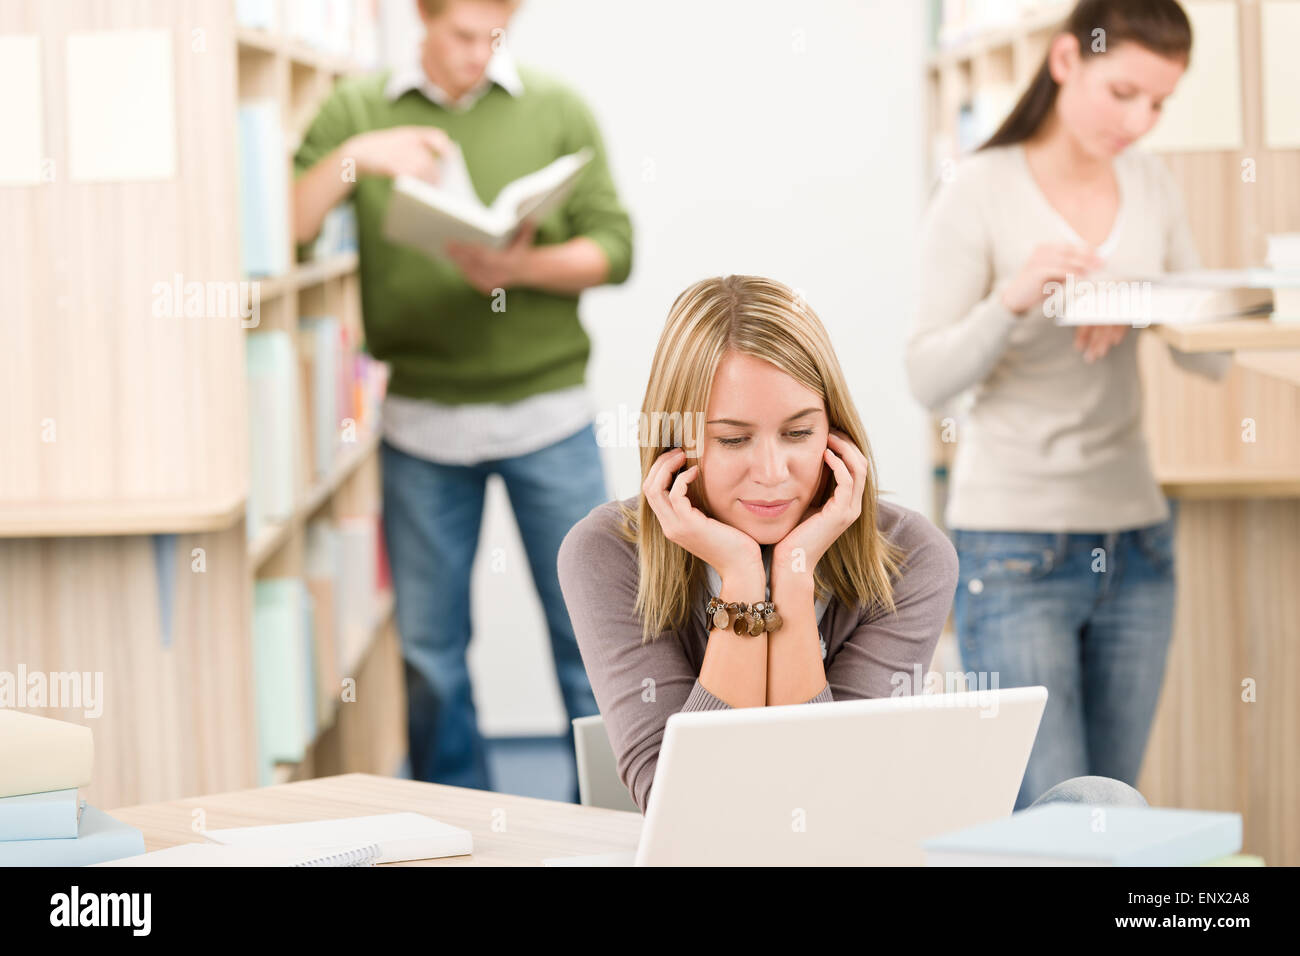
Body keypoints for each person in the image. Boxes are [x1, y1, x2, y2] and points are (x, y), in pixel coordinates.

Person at [292, 0, 634, 797]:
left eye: (495, 37)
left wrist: (517, 271)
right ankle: (456, 830)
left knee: (593, 639)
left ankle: (616, 821)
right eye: (461, 36)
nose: (479, 53)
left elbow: (616, 247)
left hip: (550, 419)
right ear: (423, 19)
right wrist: (357, 158)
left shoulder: (555, 107)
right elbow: (290, 226)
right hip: (421, 427)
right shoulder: (360, 110)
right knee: (431, 656)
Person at [906, 0, 1230, 811]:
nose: (1140, 121)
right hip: (1014, 550)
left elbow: (1219, 353)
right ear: (1063, 62)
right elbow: (927, 377)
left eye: (1159, 102)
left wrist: (1141, 300)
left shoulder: (1150, 183)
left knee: (1116, 807)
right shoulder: (978, 189)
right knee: (1060, 823)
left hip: (1138, 541)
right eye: (1123, 92)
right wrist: (1012, 302)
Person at [557, 275, 962, 814]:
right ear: (676, 444)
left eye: (798, 433)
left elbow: (827, 803)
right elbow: (687, 808)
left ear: (835, 434)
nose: (773, 473)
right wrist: (743, 577)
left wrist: (792, 577)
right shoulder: (605, 553)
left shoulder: (914, 556)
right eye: (732, 439)